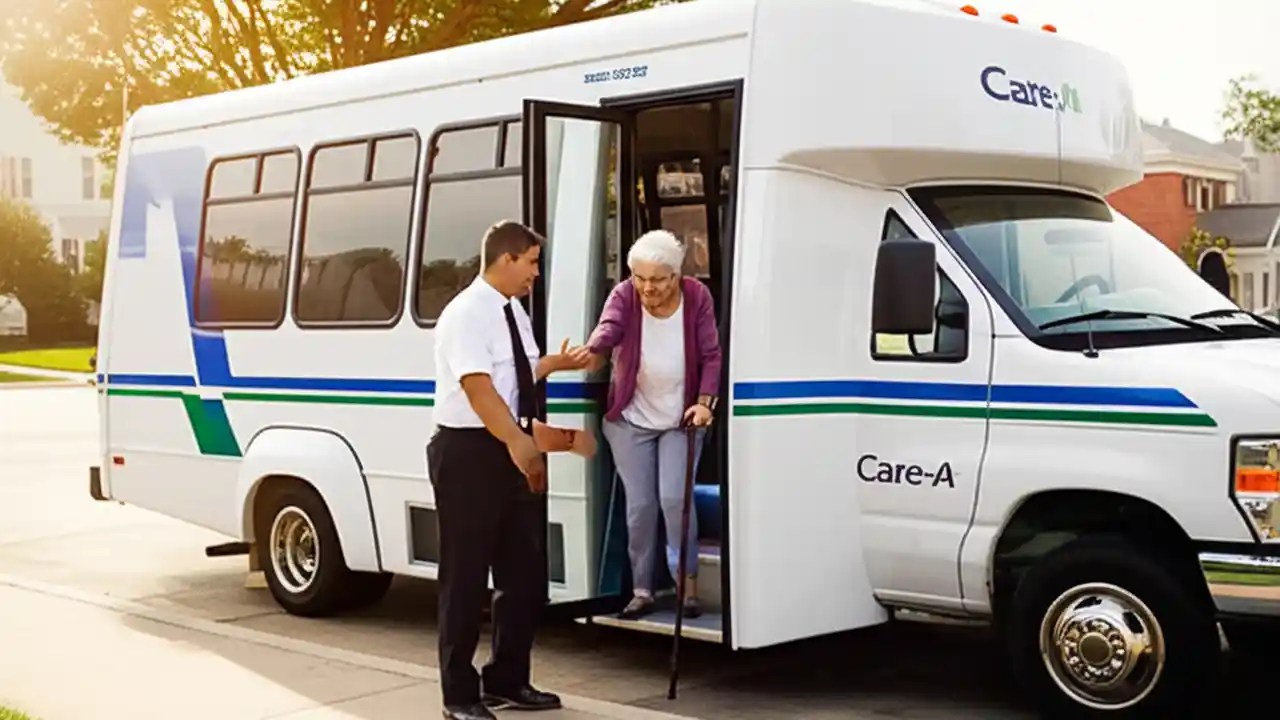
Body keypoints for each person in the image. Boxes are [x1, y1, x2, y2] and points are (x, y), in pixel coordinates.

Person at [428, 220, 587, 720]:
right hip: (470, 452)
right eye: (533, 263)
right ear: (507, 259)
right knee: (465, 576)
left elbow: (517, 372)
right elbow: (479, 390)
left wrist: (556, 364)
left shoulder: (512, 311)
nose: (536, 274)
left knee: (523, 573)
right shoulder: (466, 314)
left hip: (510, 447)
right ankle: (460, 695)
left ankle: (508, 678)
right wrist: (520, 443)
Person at [570, 229, 722, 620]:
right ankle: (642, 589)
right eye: (640, 278)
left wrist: (705, 403)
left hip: (680, 419)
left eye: (656, 279)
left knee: (676, 500)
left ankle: (687, 586)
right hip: (631, 421)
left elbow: (711, 354)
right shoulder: (625, 294)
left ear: (675, 275)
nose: (647, 287)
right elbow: (611, 326)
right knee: (640, 506)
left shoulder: (696, 297)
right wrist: (595, 348)